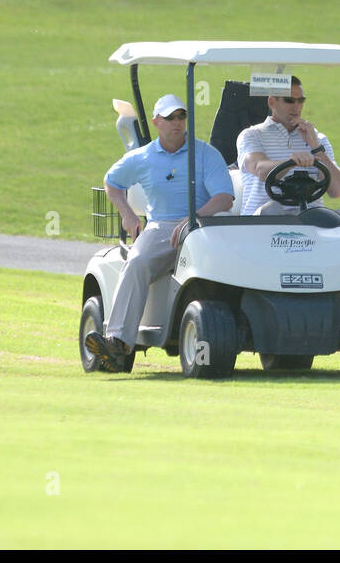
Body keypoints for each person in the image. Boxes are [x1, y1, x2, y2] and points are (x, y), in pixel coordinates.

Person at [84, 95, 234, 372]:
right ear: (156, 122)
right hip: (162, 227)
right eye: (170, 118)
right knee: (138, 262)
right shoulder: (143, 157)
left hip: (203, 225)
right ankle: (117, 341)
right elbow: (112, 182)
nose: (177, 123)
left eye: (181, 116)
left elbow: (224, 198)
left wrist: (194, 217)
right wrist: (128, 215)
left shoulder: (205, 154)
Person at [236, 76, 340, 215]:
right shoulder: (252, 135)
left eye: (301, 101)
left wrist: (316, 148)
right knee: (272, 209)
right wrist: (291, 162)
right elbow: (260, 169)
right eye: (289, 101)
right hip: (264, 223)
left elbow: (338, 190)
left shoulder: (318, 139)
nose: (296, 107)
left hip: (310, 223)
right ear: (272, 102)